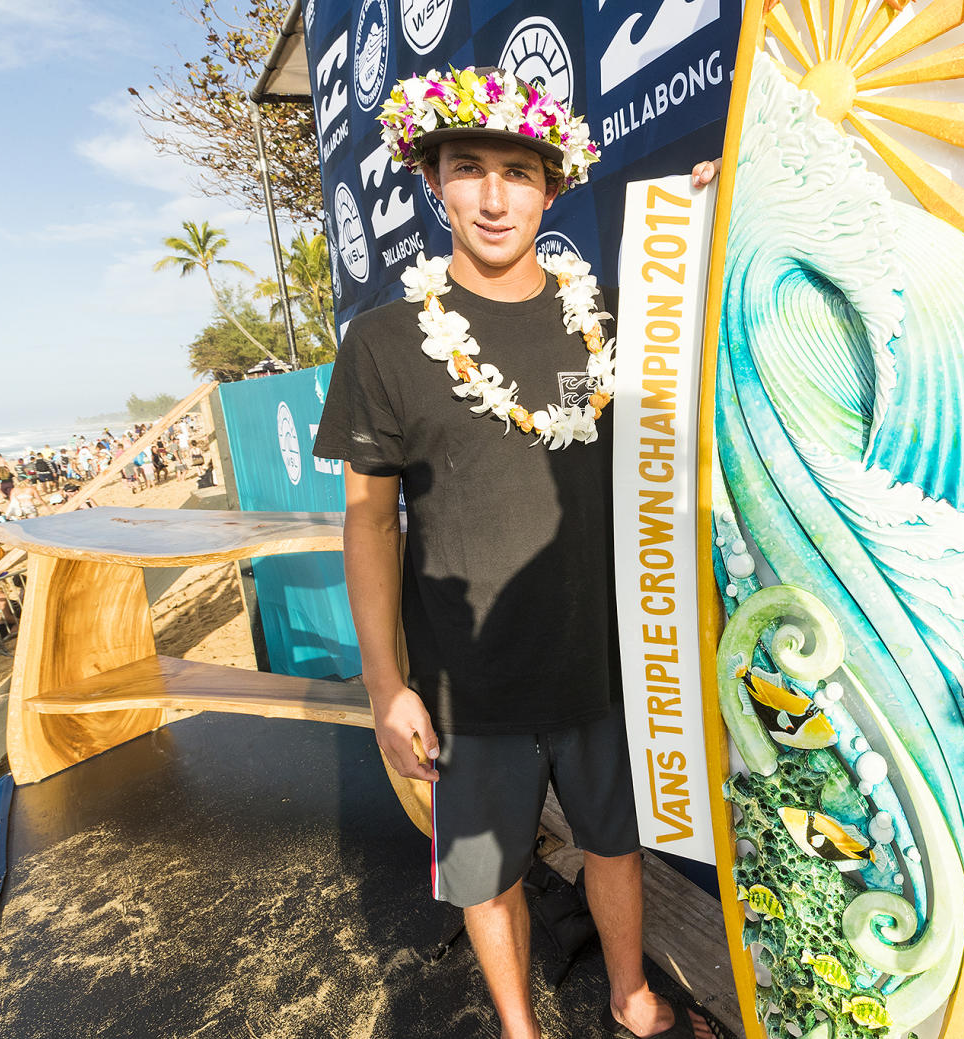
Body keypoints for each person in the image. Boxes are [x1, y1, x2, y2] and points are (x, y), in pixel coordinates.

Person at [313, 66, 715, 1039]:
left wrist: (713, 220)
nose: (494, 197)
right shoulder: (383, 342)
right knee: (487, 876)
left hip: (606, 667)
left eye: (518, 173)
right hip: (468, 685)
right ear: (433, 182)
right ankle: (519, 1029)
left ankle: (629, 995)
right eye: (468, 169)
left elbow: (711, 328)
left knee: (615, 845)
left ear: (552, 187)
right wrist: (385, 685)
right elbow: (368, 520)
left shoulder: (613, 319)